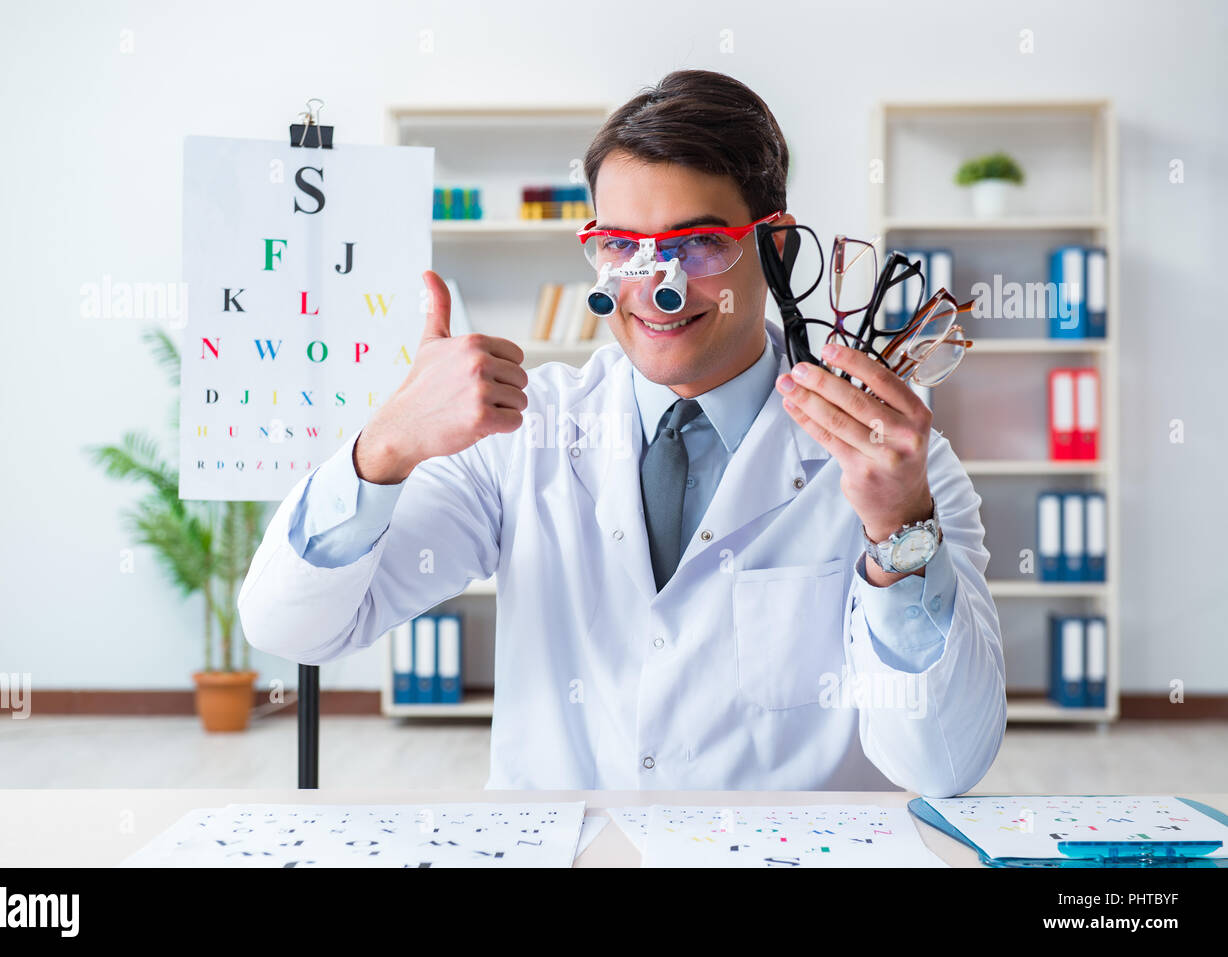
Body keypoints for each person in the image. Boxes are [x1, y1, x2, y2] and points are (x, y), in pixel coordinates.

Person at [238, 69, 1006, 795]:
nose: (656, 285)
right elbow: (291, 623)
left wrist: (900, 532)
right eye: (620, 246)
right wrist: (384, 448)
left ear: (776, 246)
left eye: (699, 242)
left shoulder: (897, 466)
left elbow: (941, 760)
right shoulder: (520, 432)